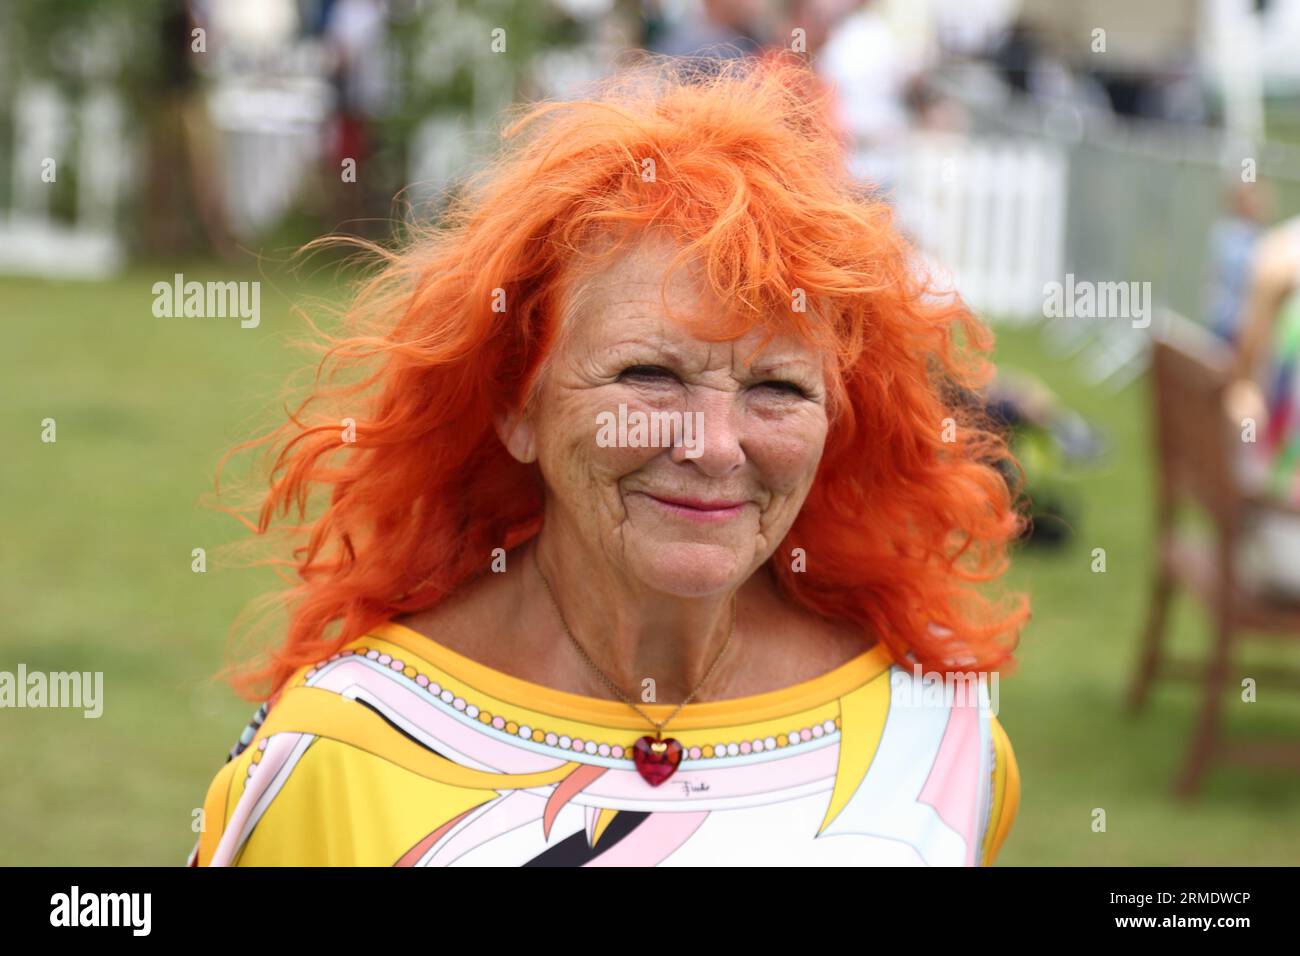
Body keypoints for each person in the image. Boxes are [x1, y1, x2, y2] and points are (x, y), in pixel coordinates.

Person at [190, 56, 1029, 867]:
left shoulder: (938, 735)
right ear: (517, 404)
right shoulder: (343, 755)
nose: (714, 447)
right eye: (649, 375)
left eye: (777, 388)